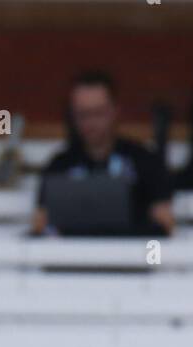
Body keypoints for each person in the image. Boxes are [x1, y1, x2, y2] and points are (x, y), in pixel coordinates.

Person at [31, 71, 173, 236]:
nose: (91, 122)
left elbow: (165, 222)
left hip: (131, 258)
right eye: (83, 114)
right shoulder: (59, 166)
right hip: (71, 258)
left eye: (98, 113)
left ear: (115, 111)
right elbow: (41, 223)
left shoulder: (145, 161)